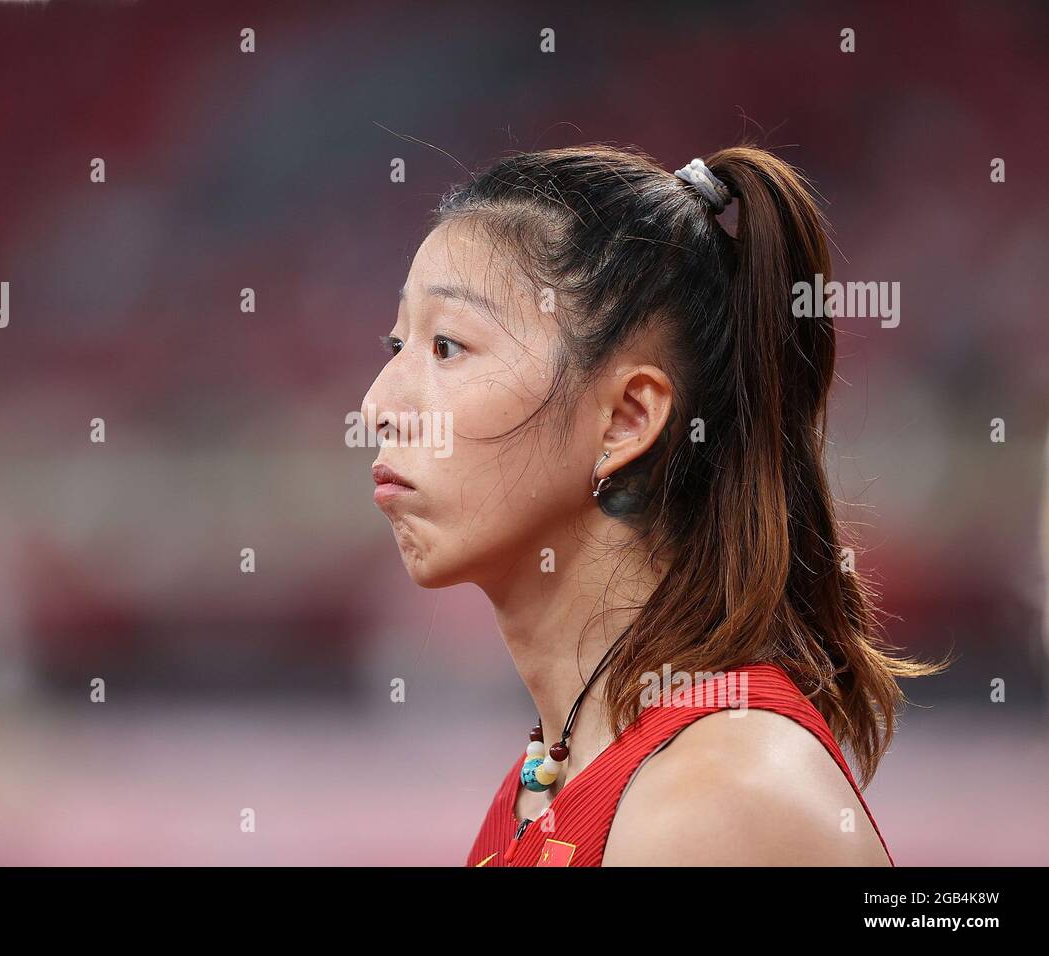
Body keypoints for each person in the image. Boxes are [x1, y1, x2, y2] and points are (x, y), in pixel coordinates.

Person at [360, 144, 943, 866]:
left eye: (446, 345)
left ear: (626, 419)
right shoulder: (555, 774)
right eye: (396, 343)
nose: (379, 404)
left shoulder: (715, 800)